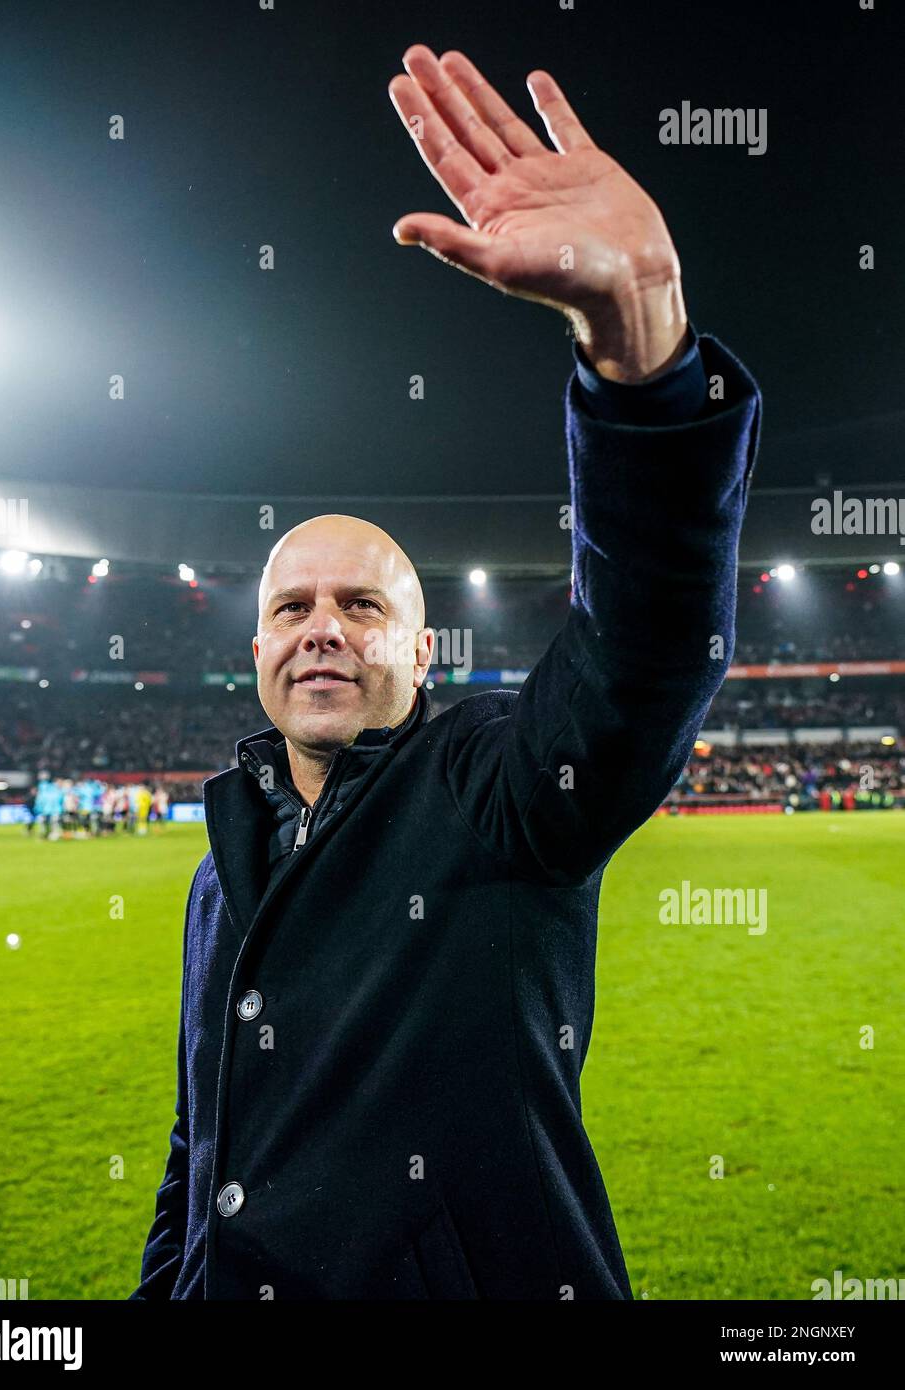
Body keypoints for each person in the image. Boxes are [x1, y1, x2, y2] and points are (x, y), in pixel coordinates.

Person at [131, 46, 761, 1301]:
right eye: (291, 608)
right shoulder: (223, 867)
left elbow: (637, 661)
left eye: (363, 606)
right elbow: (202, 1139)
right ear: (255, 651)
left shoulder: (493, 793)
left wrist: (640, 368)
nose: (321, 628)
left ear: (422, 651)